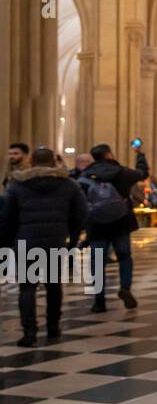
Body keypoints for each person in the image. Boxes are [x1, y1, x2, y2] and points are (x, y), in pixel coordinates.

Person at [0, 146, 89, 346]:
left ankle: (29, 332)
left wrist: (5, 243)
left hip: (26, 240)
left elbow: (7, 217)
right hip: (55, 241)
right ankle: (53, 327)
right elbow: (82, 214)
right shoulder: (69, 184)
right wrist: (71, 237)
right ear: (54, 161)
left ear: (31, 161)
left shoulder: (18, 184)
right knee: (53, 285)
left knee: (27, 288)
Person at [77, 142, 149, 312]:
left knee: (97, 262)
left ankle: (99, 300)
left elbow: (79, 203)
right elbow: (143, 173)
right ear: (109, 154)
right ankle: (125, 288)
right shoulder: (123, 173)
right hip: (121, 222)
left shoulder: (85, 176)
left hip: (97, 225)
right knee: (124, 257)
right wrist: (140, 155)